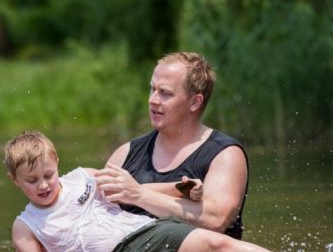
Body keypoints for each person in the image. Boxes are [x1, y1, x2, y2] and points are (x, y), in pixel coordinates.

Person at [0, 131, 299, 252]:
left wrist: (179, 189)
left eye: (48, 175)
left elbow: (136, 188)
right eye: (32, 180)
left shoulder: (84, 177)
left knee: (220, 246)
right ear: (14, 180)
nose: (43, 185)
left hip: (142, 233)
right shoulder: (25, 227)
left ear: (57, 163)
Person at [94, 52, 249, 242]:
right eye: (152, 89)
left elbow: (216, 219)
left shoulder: (224, 154)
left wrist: (139, 195)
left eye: (165, 93)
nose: (153, 99)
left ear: (195, 102)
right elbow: (94, 217)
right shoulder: (125, 154)